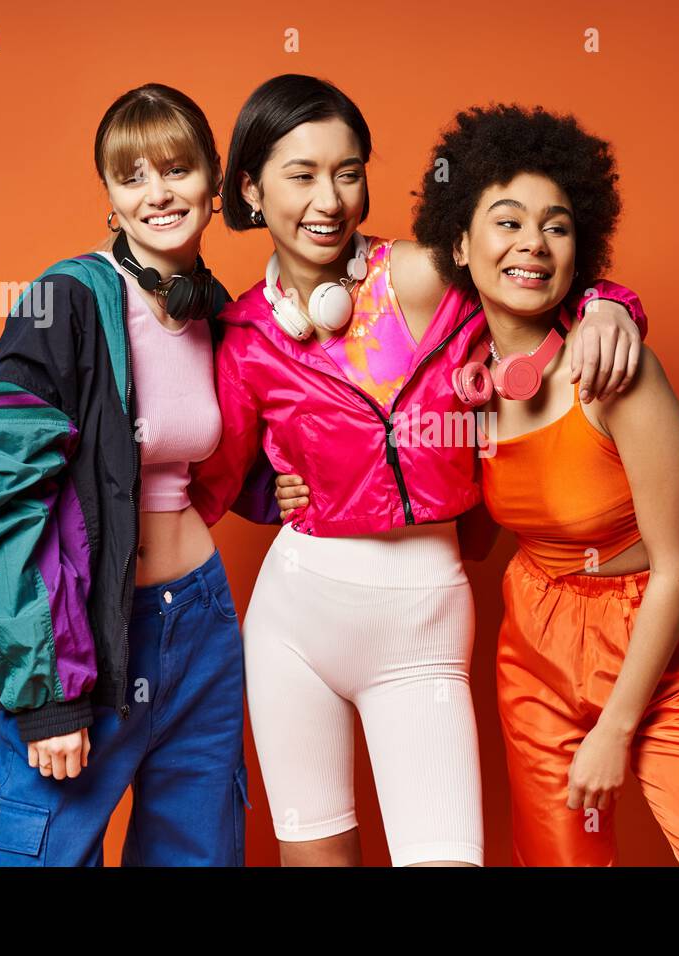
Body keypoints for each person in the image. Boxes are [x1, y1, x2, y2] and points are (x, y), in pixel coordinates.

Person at [279, 103, 679, 866]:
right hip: (536, 646)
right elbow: (467, 533)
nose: (533, 243)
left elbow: (678, 566)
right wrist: (306, 490)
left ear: (579, 249)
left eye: (556, 226)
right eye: (508, 221)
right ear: (460, 242)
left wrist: (617, 728)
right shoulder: (464, 388)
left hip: (662, 644)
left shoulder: (614, 372)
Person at [189, 74, 650, 867]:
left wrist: (612, 303)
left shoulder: (419, 274)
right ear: (252, 190)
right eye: (301, 175)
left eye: (348, 170)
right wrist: (269, 491)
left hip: (424, 618)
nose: (328, 198)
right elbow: (212, 480)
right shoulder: (241, 333)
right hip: (293, 621)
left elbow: (531, 274)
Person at [0, 83, 264, 866]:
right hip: (91, 637)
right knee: (47, 854)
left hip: (201, 623)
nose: (157, 194)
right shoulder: (64, 302)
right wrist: (47, 693)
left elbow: (246, 454)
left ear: (214, 182)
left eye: (176, 170)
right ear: (109, 196)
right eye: (131, 176)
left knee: (197, 855)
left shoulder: (216, 311)